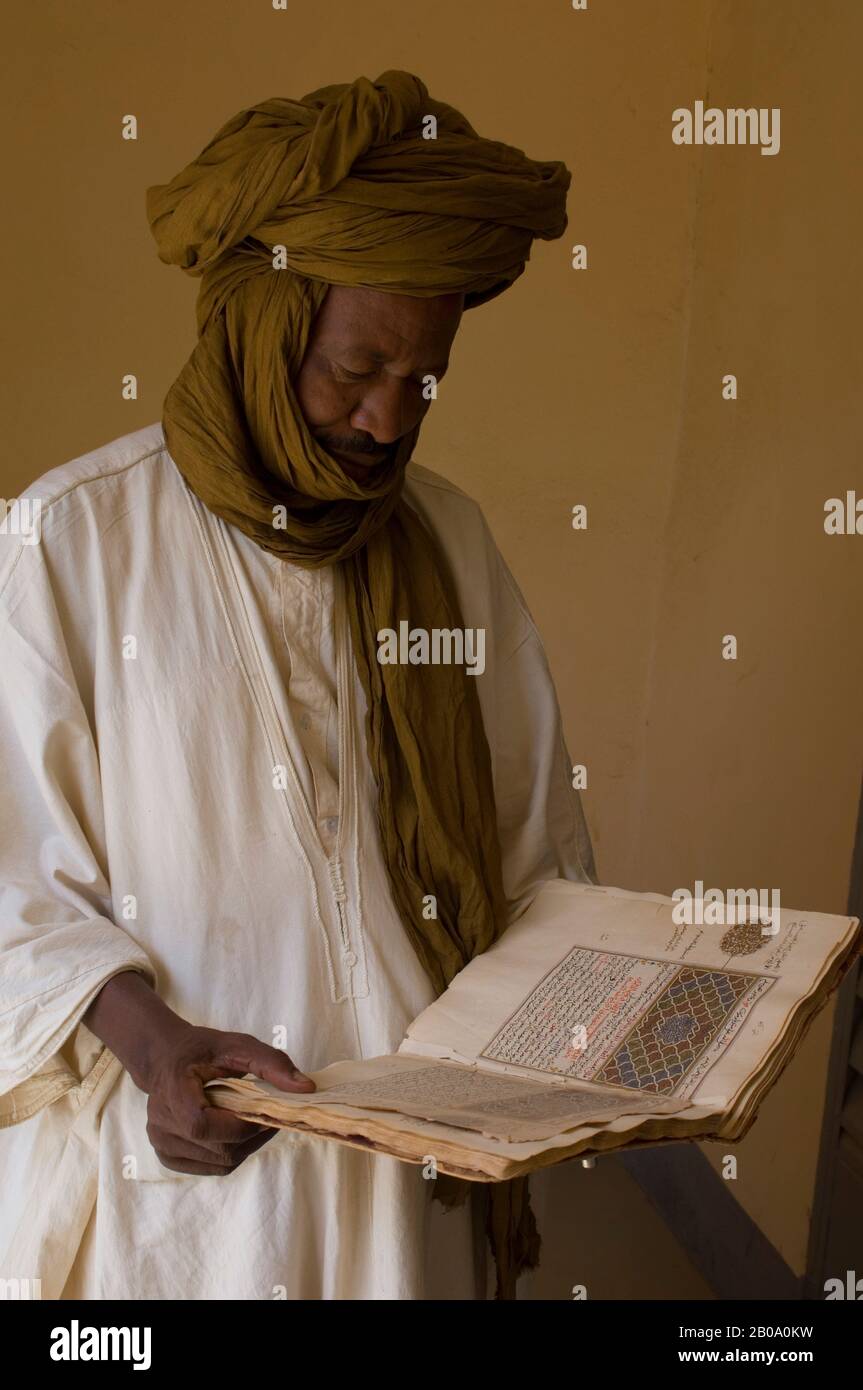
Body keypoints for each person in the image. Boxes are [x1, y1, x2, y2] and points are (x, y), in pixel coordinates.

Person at [0, 70, 596, 1301]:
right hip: (180, 1184)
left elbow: (531, 848)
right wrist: (154, 1046)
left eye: (421, 377)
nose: (385, 417)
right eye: (351, 368)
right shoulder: (70, 540)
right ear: (262, 329)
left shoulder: (448, 545)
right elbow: (11, 876)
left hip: (413, 1183)